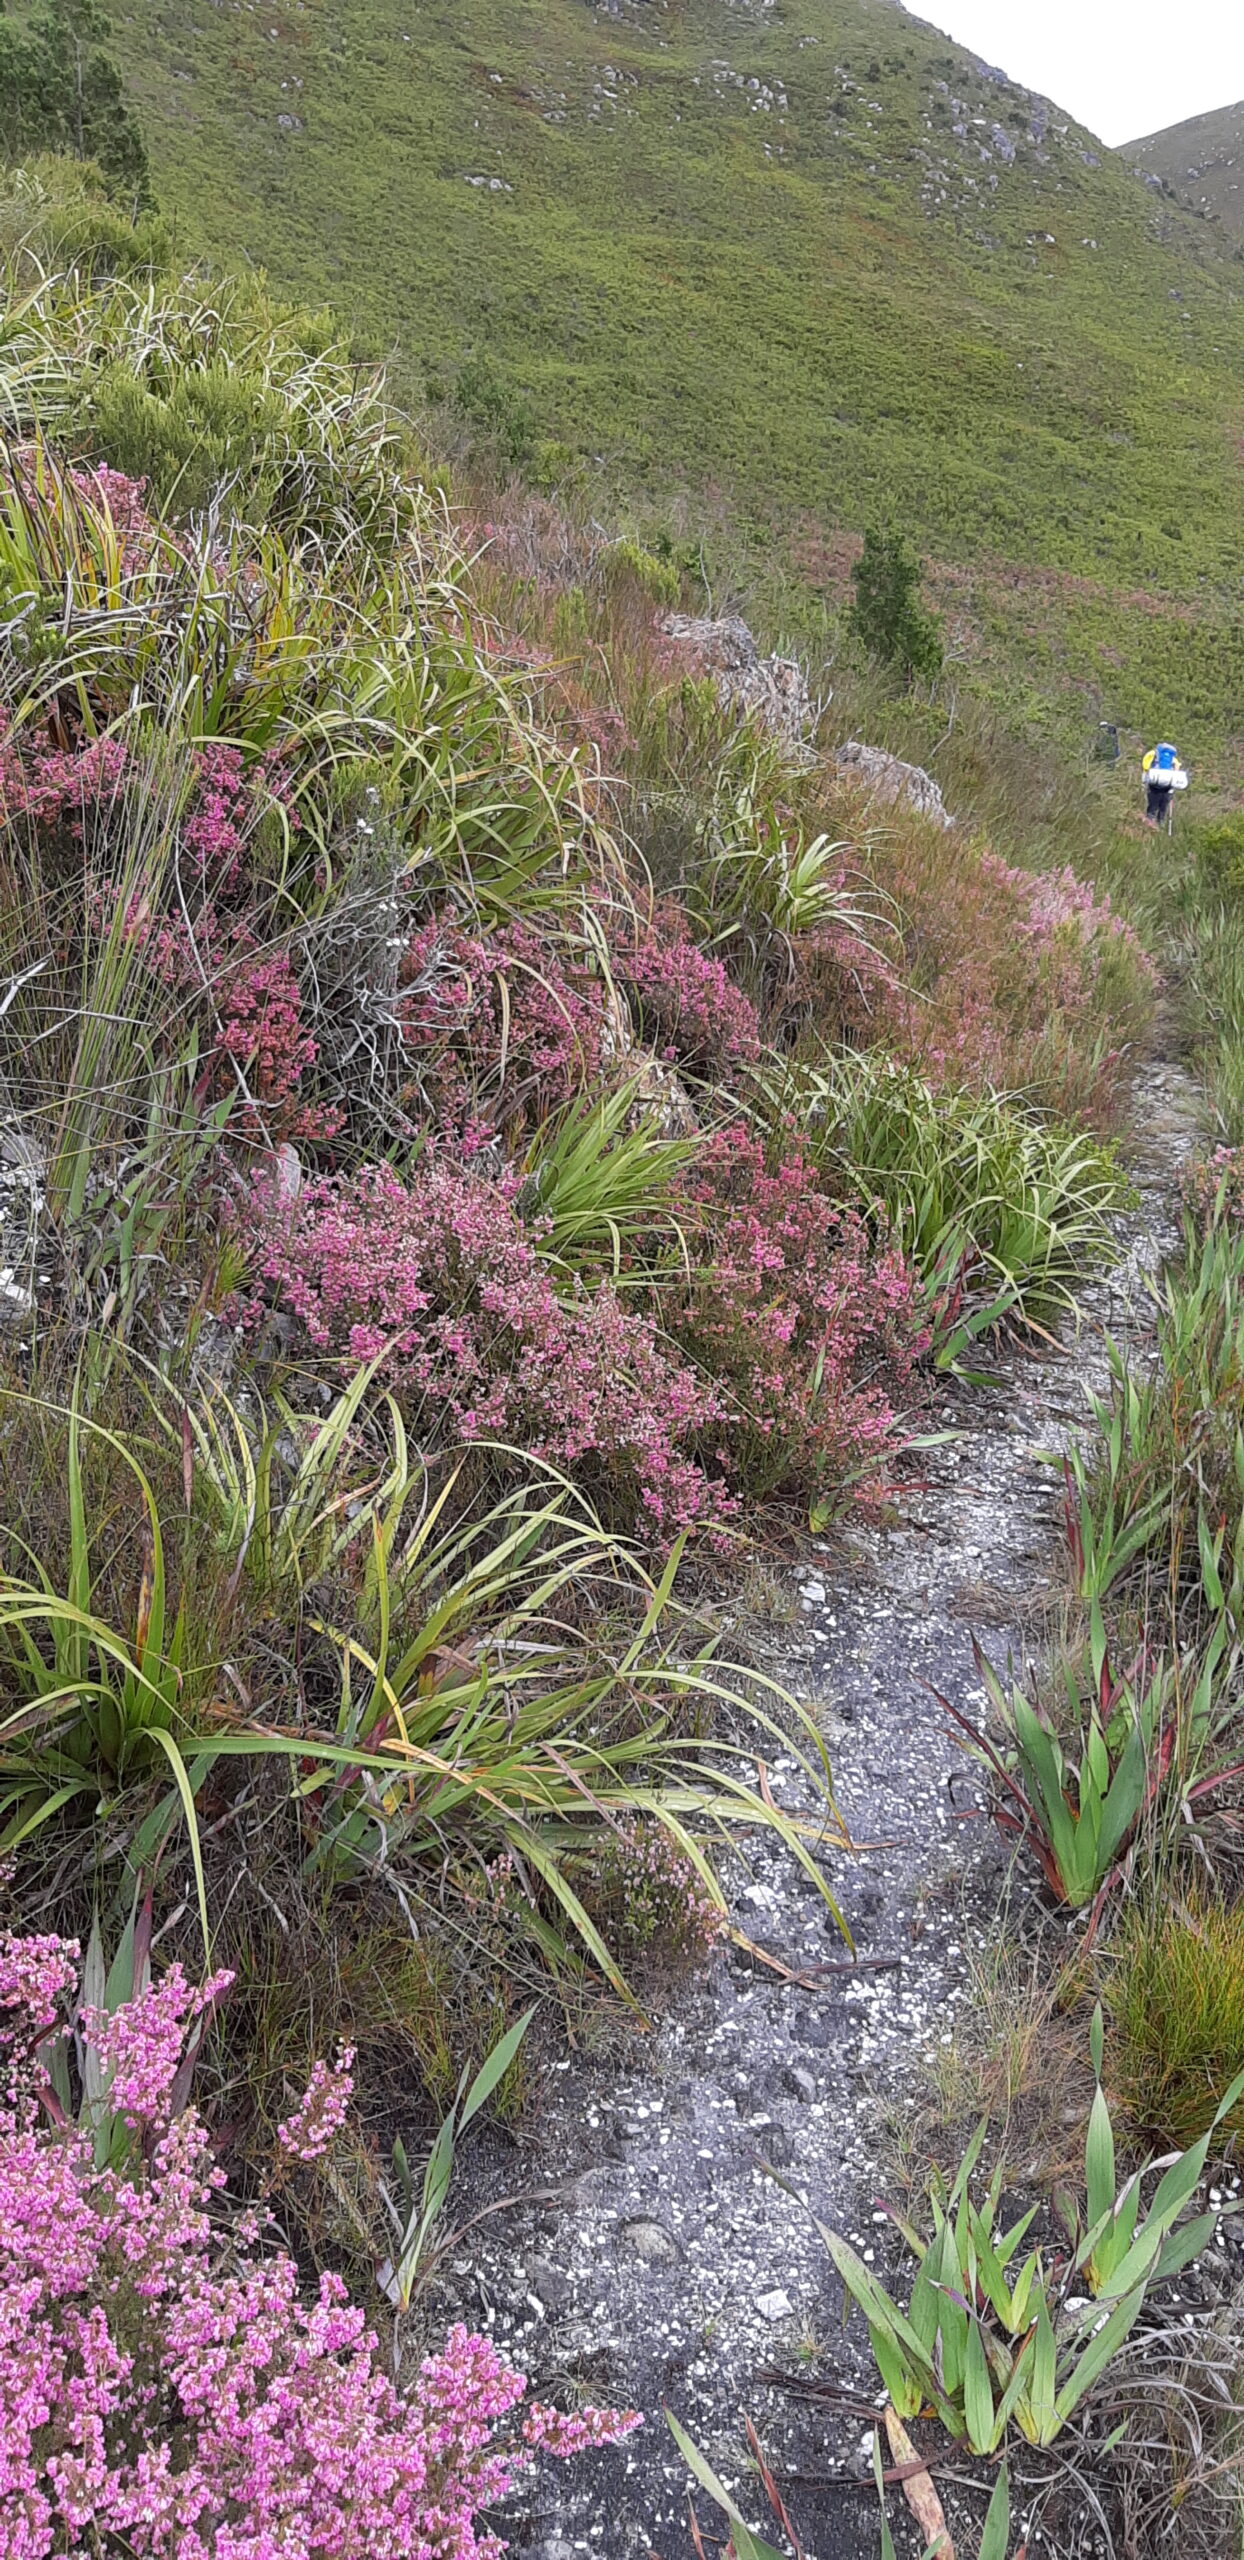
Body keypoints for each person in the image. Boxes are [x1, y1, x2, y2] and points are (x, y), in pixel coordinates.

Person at [1142, 741, 1188, 829]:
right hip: (1168, 785)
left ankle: (1150, 820)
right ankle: (1161, 822)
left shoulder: (1152, 753)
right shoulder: (1172, 758)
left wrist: (1147, 774)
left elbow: (1145, 765)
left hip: (1154, 783)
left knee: (1153, 803)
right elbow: (1177, 767)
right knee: (1163, 806)